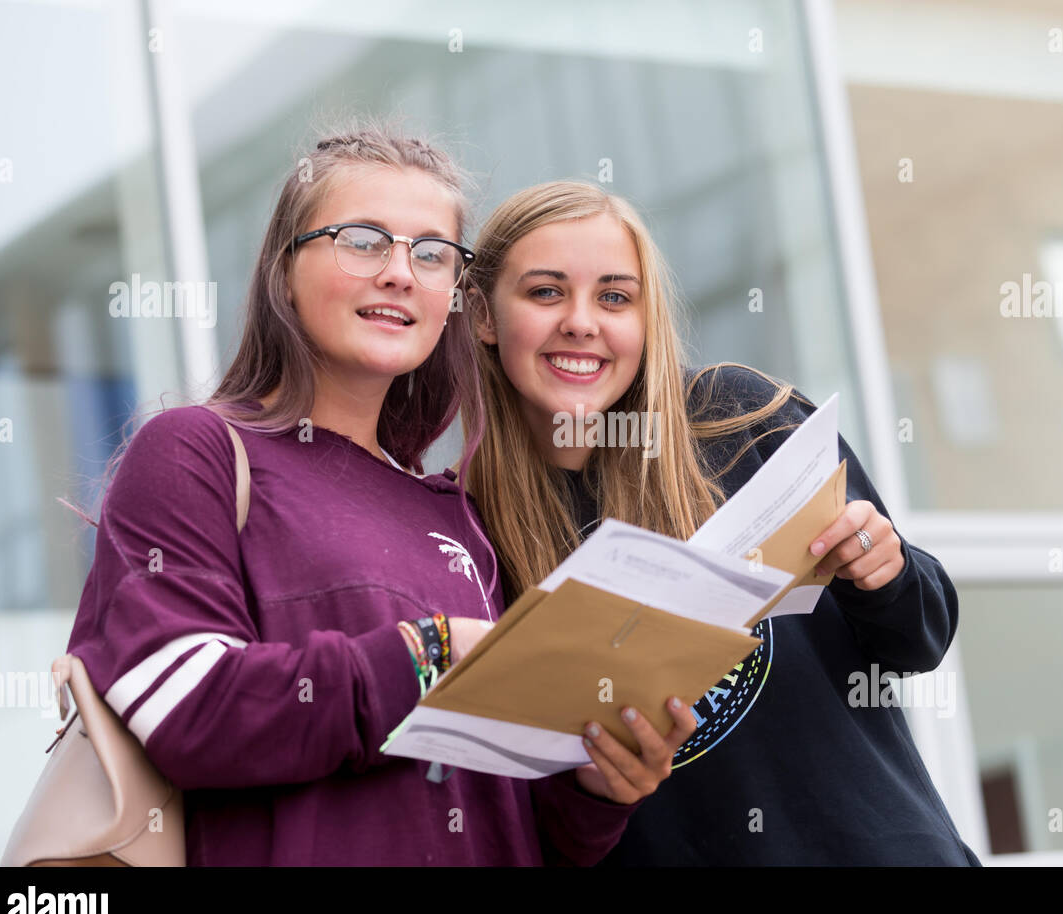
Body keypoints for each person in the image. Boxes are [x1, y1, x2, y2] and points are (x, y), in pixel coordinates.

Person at [65, 129, 693, 866]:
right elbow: (182, 708)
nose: (400, 273)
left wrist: (595, 791)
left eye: (432, 255)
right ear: (283, 269)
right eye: (363, 240)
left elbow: (513, 820)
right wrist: (427, 656)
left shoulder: (456, 512)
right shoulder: (195, 452)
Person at [462, 180, 981, 865]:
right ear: (482, 315)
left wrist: (887, 571)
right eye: (546, 292)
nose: (582, 322)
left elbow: (919, 639)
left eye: (615, 296)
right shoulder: (474, 531)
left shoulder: (739, 416)